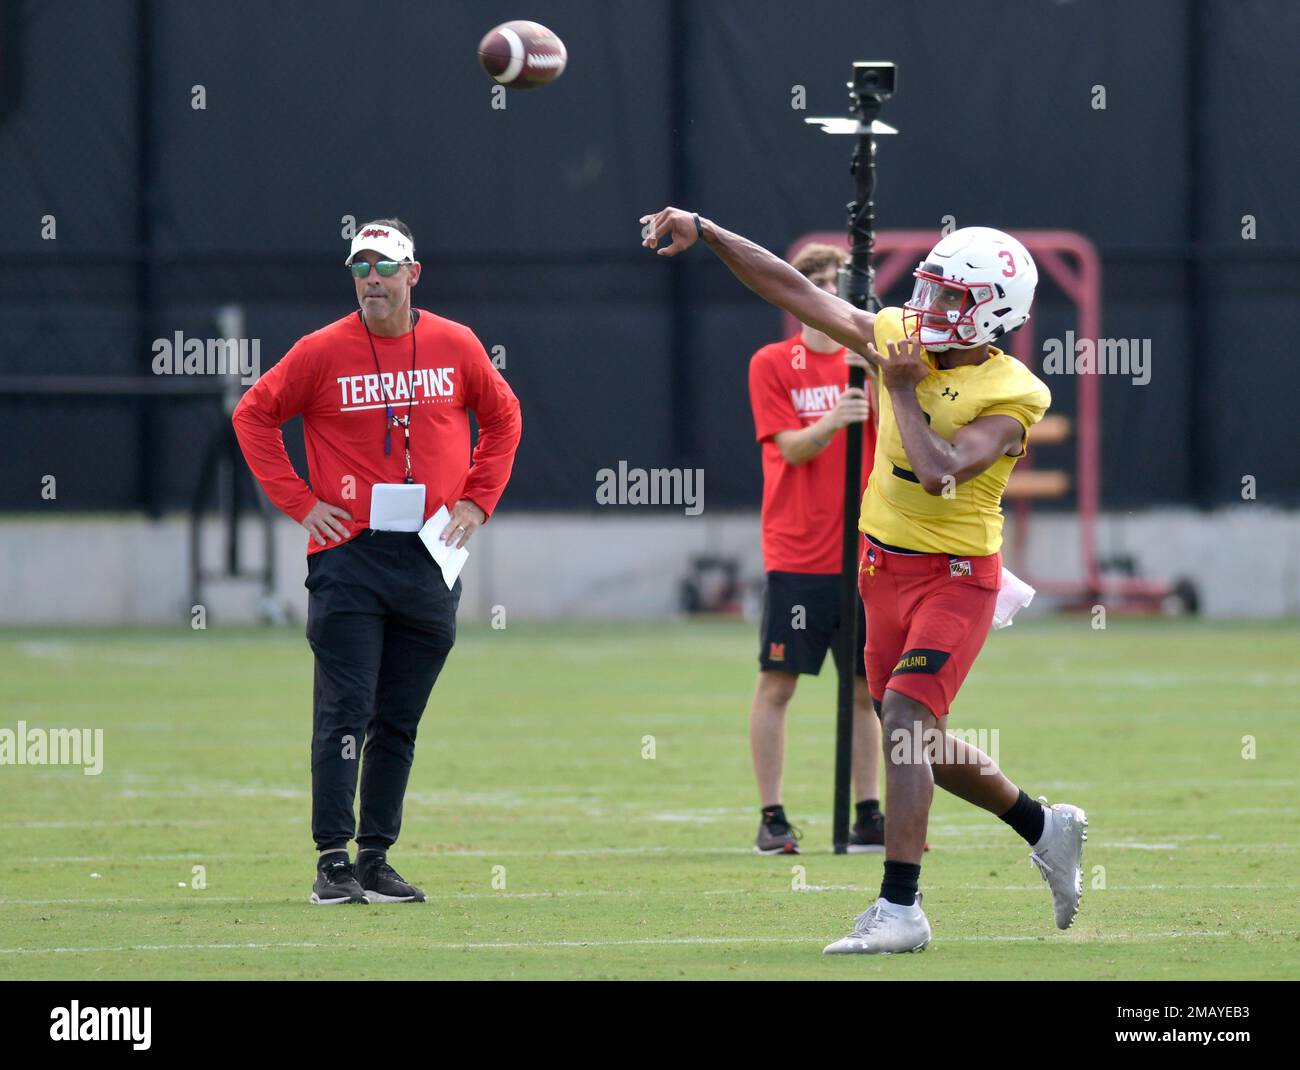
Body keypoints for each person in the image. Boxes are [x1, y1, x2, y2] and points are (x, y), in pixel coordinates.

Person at [640, 208, 1086, 953]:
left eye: (951, 299)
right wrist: (709, 231)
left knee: (905, 725)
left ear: (992, 312)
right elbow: (794, 292)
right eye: (932, 291)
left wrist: (901, 389)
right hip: (881, 571)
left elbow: (941, 471)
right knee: (921, 744)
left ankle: (901, 910)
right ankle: (1045, 825)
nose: (931, 309)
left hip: (956, 579)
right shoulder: (896, 340)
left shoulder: (1014, 392)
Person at [233, 218, 522, 905]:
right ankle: (331, 859)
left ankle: (375, 858)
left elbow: (504, 418)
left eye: (384, 266)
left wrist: (478, 501)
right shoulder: (321, 350)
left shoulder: (455, 344)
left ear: (412, 274)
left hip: (430, 554)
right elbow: (254, 414)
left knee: (398, 717)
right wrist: (302, 503)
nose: (370, 279)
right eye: (360, 266)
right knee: (344, 708)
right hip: (349, 555)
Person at [746, 243, 884, 855]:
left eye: (839, 281)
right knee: (779, 681)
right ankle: (772, 816)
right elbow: (790, 448)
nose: (829, 290)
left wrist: (882, 372)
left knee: (864, 688)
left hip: (865, 554)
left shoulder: (872, 363)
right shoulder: (774, 362)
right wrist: (833, 420)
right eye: (816, 280)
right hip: (798, 553)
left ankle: (869, 813)